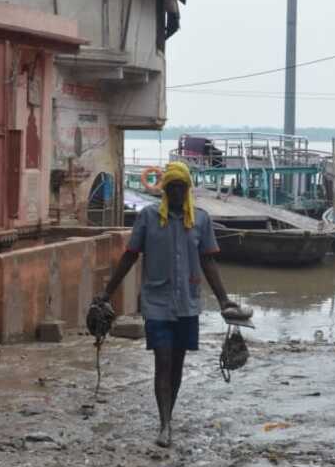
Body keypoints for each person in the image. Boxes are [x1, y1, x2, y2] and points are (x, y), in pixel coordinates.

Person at [94, 161, 241, 448]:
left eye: (180, 187)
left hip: (188, 303)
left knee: (176, 365)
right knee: (162, 361)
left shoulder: (200, 220)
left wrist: (224, 299)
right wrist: (106, 293)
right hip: (156, 302)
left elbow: (208, 262)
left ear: (187, 189)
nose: (175, 192)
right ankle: (164, 425)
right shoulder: (148, 218)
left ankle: (168, 416)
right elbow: (130, 255)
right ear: (164, 190)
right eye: (171, 187)